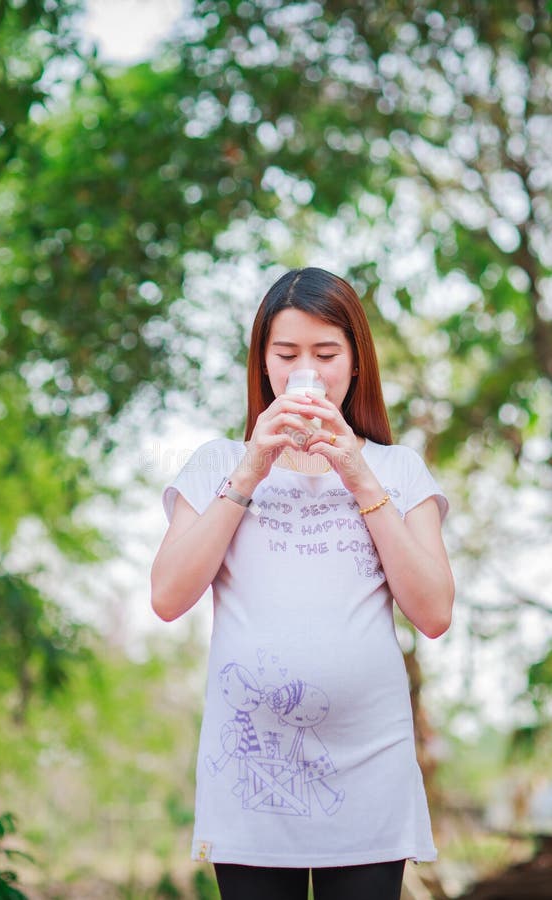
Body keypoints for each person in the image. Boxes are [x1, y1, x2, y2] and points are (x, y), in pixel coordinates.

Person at [151, 267, 454, 900]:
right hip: (253, 769)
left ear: (355, 361)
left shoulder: (397, 469)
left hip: (371, 767)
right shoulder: (216, 463)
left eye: (325, 353)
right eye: (285, 354)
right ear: (263, 362)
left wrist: (358, 475)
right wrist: (252, 467)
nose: (303, 372)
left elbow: (433, 610)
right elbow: (168, 596)